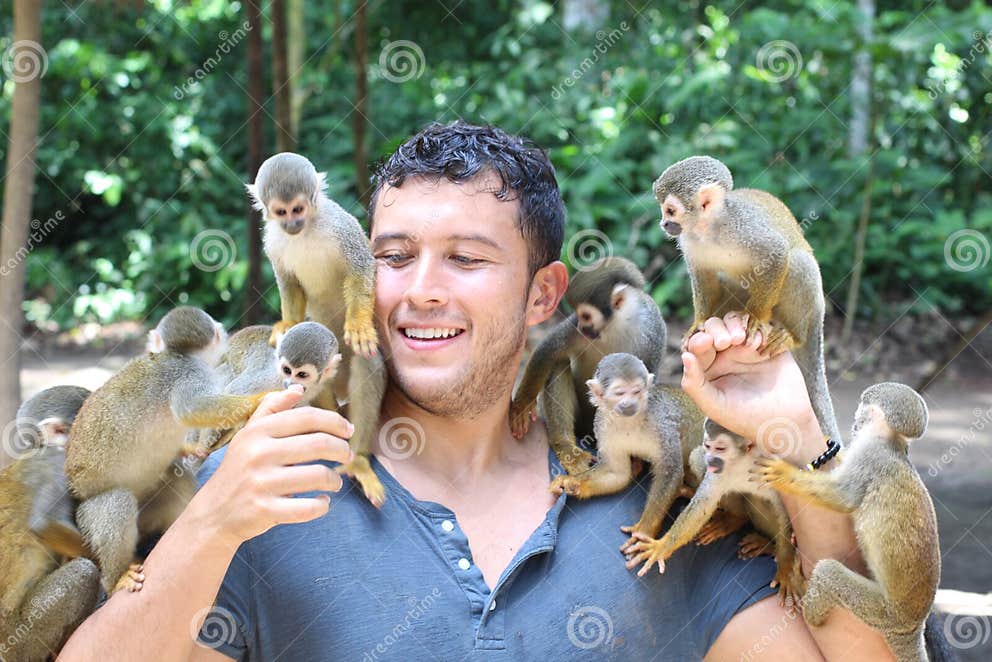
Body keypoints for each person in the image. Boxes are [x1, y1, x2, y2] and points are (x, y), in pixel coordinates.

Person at [61, 121, 900, 661]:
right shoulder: (275, 483)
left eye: (465, 259)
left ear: (544, 296)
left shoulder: (650, 489)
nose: (420, 289)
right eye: (392, 258)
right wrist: (208, 523)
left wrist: (792, 430)